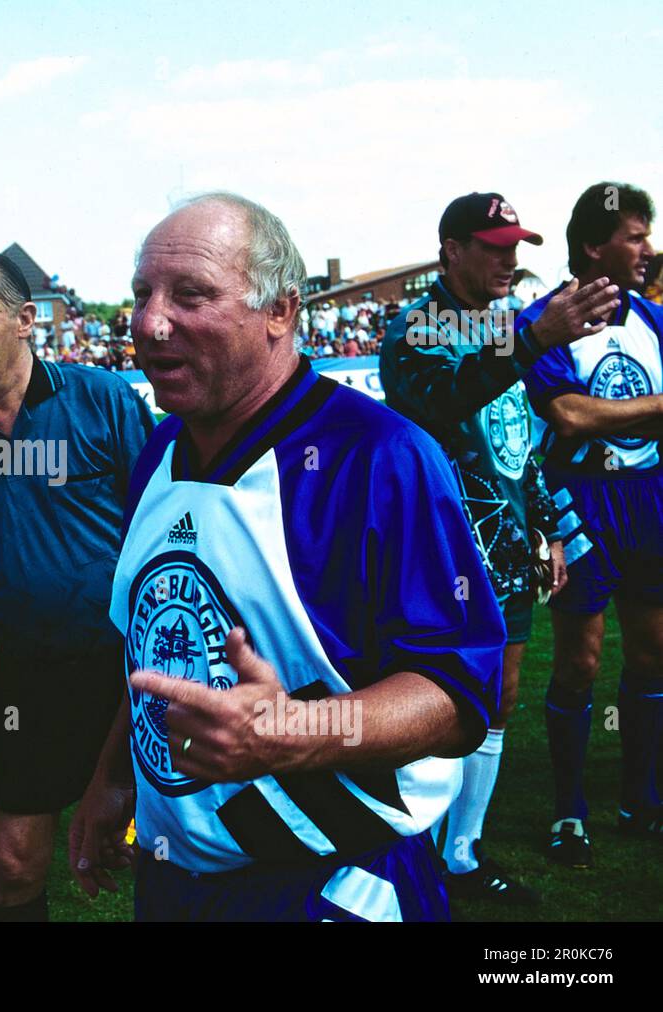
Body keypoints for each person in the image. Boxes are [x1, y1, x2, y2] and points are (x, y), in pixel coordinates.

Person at [70, 193, 506, 922]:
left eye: (192, 295)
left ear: (281, 312)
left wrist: (293, 732)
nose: (149, 322)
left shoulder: (383, 458)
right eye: (141, 293)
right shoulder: (158, 454)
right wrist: (112, 778)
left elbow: (458, 695)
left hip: (333, 883)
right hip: (178, 878)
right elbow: (151, 648)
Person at [380, 191, 619, 904]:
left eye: (516, 245)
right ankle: (413, 847)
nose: (510, 259)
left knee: (499, 695)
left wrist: (545, 523)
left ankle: (461, 851)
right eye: (494, 245)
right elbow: (441, 402)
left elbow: (518, 445)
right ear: (451, 249)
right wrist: (535, 341)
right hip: (442, 548)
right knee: (437, 700)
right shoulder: (418, 327)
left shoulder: (500, 322)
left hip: (508, 544)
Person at [0, 248, 154, 921]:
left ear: (24, 319)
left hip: (129, 672)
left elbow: (164, 538)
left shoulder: (104, 403)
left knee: (163, 849)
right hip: (24, 686)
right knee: (15, 865)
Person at [517, 182, 663, 865]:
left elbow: (592, 410)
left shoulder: (653, 320)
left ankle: (642, 798)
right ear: (592, 246)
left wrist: (619, 414)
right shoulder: (545, 320)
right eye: (635, 236)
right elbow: (569, 416)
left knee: (652, 652)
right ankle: (570, 809)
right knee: (580, 659)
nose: (648, 249)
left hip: (651, 497)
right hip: (585, 500)